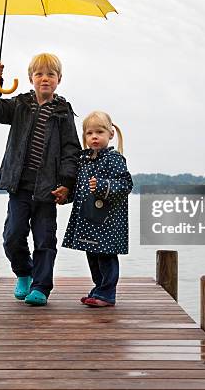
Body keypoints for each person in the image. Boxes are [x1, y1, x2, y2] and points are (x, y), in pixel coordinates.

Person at [0, 53, 81, 306]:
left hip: (48, 190)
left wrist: (67, 184)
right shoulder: (20, 105)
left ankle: (41, 287)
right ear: (30, 78)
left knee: (45, 240)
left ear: (59, 79)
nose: (45, 78)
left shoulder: (63, 111)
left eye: (50, 74)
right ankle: (24, 273)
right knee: (13, 235)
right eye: (39, 74)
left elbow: (71, 150)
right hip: (19, 186)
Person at [62, 111, 133, 307]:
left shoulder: (114, 158)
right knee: (92, 255)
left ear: (110, 134)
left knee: (106, 256)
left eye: (99, 132)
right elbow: (79, 188)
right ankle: (99, 288)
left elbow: (125, 184)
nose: (94, 137)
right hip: (87, 218)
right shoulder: (84, 161)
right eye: (89, 133)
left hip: (107, 220)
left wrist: (103, 186)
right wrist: (65, 196)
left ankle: (107, 293)